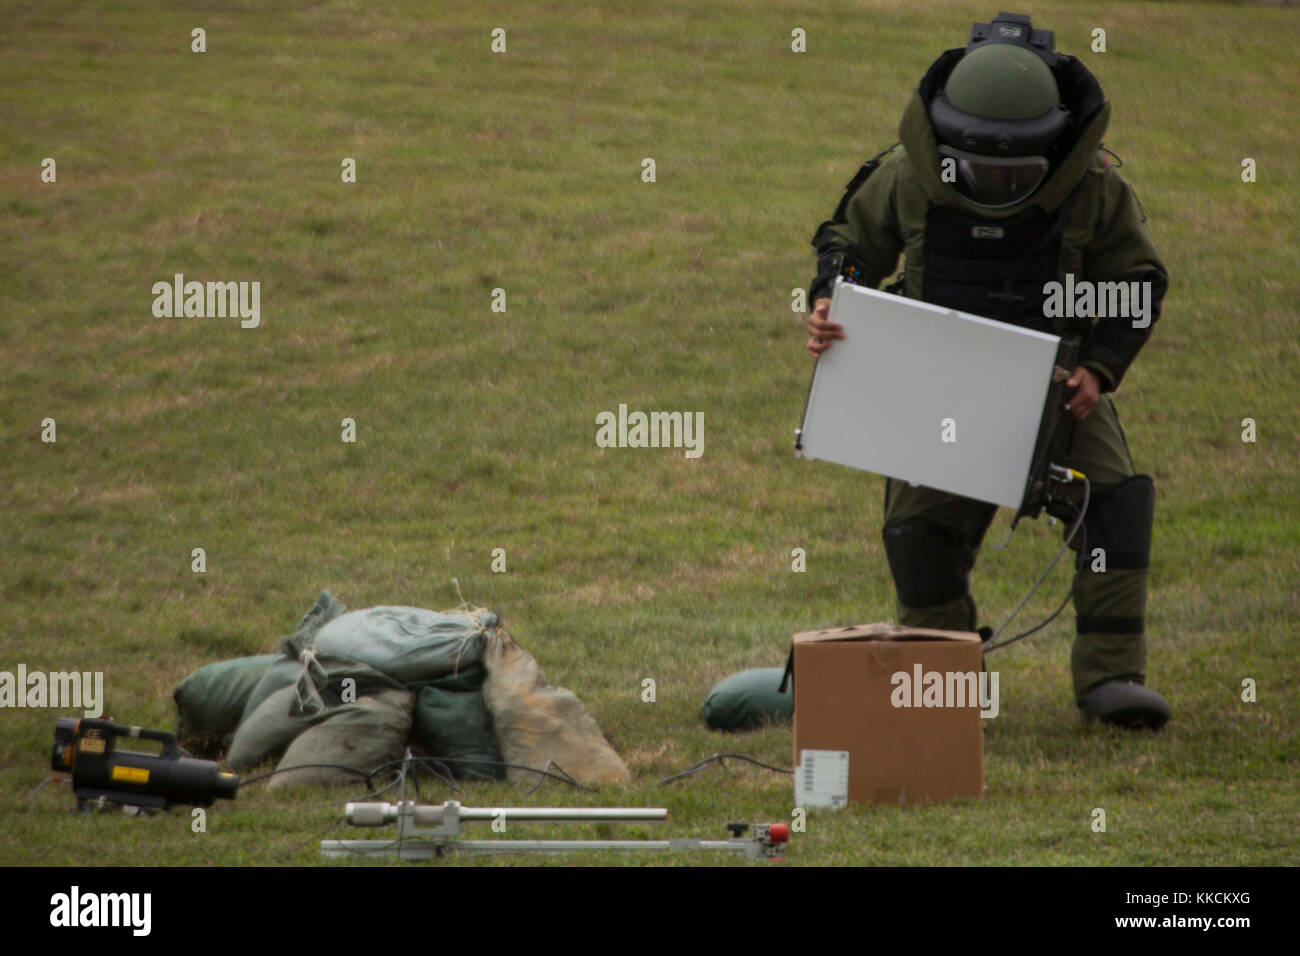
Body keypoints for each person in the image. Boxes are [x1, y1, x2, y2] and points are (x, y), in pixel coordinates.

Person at [804, 13, 1171, 729]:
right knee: (917, 534)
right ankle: (945, 679)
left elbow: (1137, 284)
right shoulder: (906, 179)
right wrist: (828, 297)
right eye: (982, 169)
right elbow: (849, 242)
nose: (999, 182)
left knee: (1115, 503)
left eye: (1018, 173)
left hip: (1058, 394)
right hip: (935, 387)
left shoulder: (1095, 189)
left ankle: (1111, 681)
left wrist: (1098, 368)